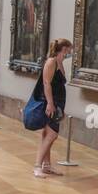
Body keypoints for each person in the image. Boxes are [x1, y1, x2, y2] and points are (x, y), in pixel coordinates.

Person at [32, 38, 72, 179]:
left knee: (47, 133)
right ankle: (37, 166)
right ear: (64, 49)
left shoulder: (59, 62)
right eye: (69, 50)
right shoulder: (51, 62)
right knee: (51, 135)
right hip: (50, 104)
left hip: (57, 104)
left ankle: (46, 165)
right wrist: (50, 103)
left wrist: (60, 107)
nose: (70, 53)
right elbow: (46, 83)